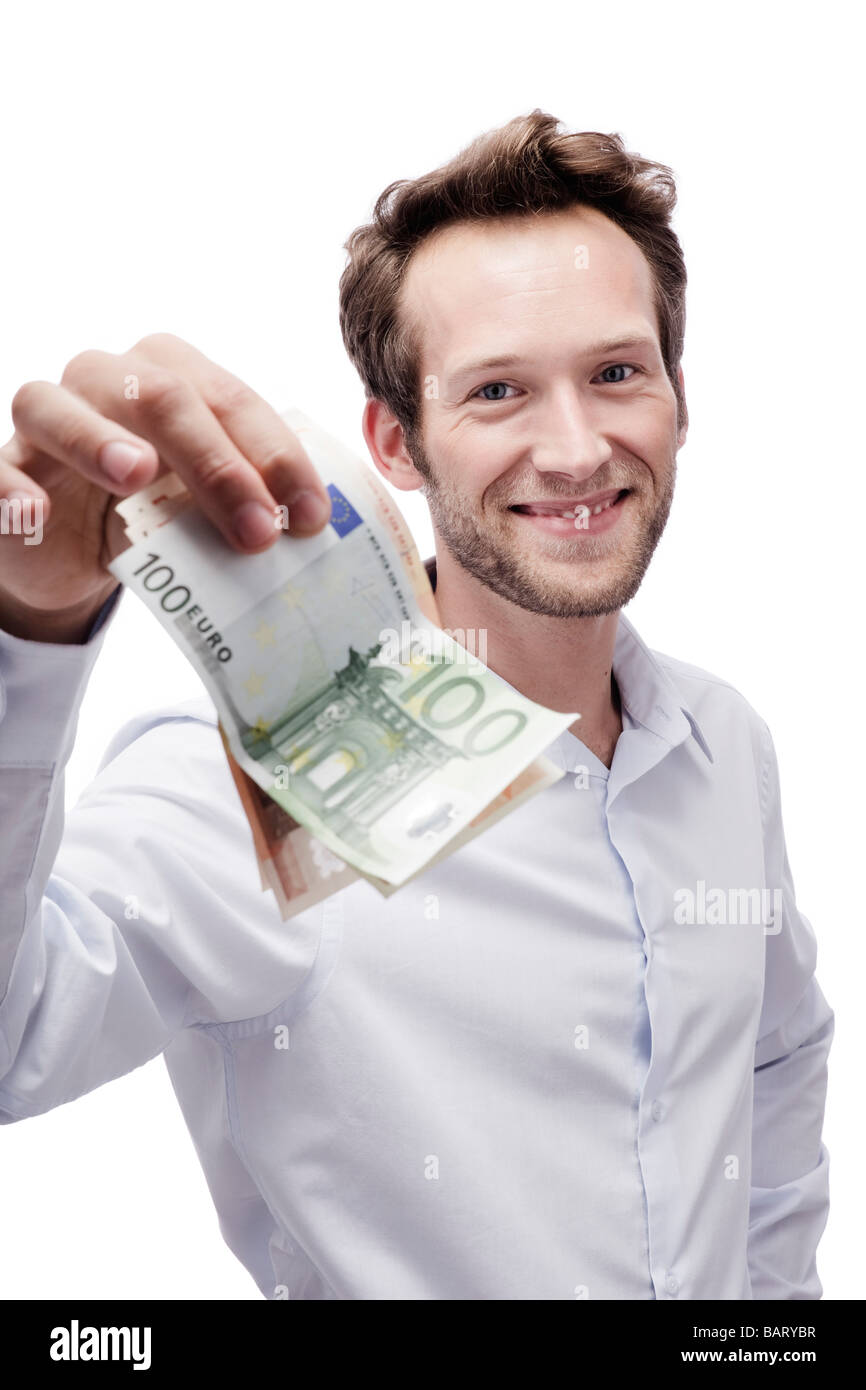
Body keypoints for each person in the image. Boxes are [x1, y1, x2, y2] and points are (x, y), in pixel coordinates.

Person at [0, 109, 833, 1300]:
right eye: (497, 390)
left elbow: (774, 1060)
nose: (574, 447)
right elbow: (12, 1040)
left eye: (614, 373)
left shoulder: (722, 742)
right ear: (394, 442)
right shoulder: (246, 774)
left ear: (677, 396)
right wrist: (26, 634)